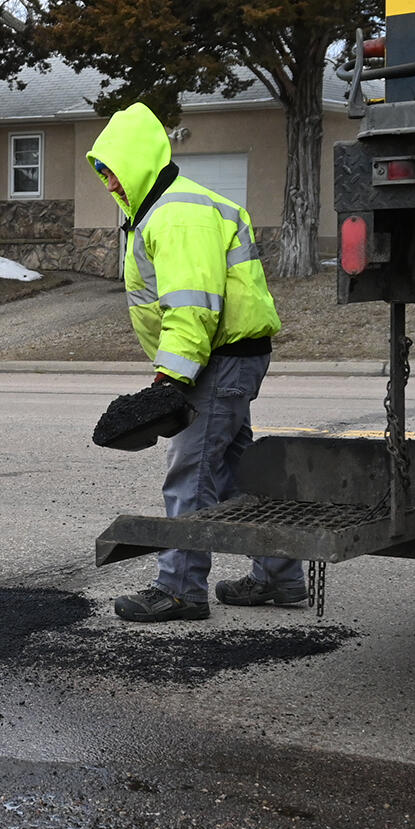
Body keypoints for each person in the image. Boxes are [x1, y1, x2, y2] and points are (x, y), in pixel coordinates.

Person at [86, 102, 302, 623]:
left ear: (138, 161)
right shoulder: (172, 209)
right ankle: (280, 576)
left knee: (190, 473)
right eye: (104, 174)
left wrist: (169, 381)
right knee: (230, 473)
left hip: (214, 363)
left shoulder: (177, 215)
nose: (111, 184)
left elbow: (191, 306)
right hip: (228, 359)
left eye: (113, 171)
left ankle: (180, 589)